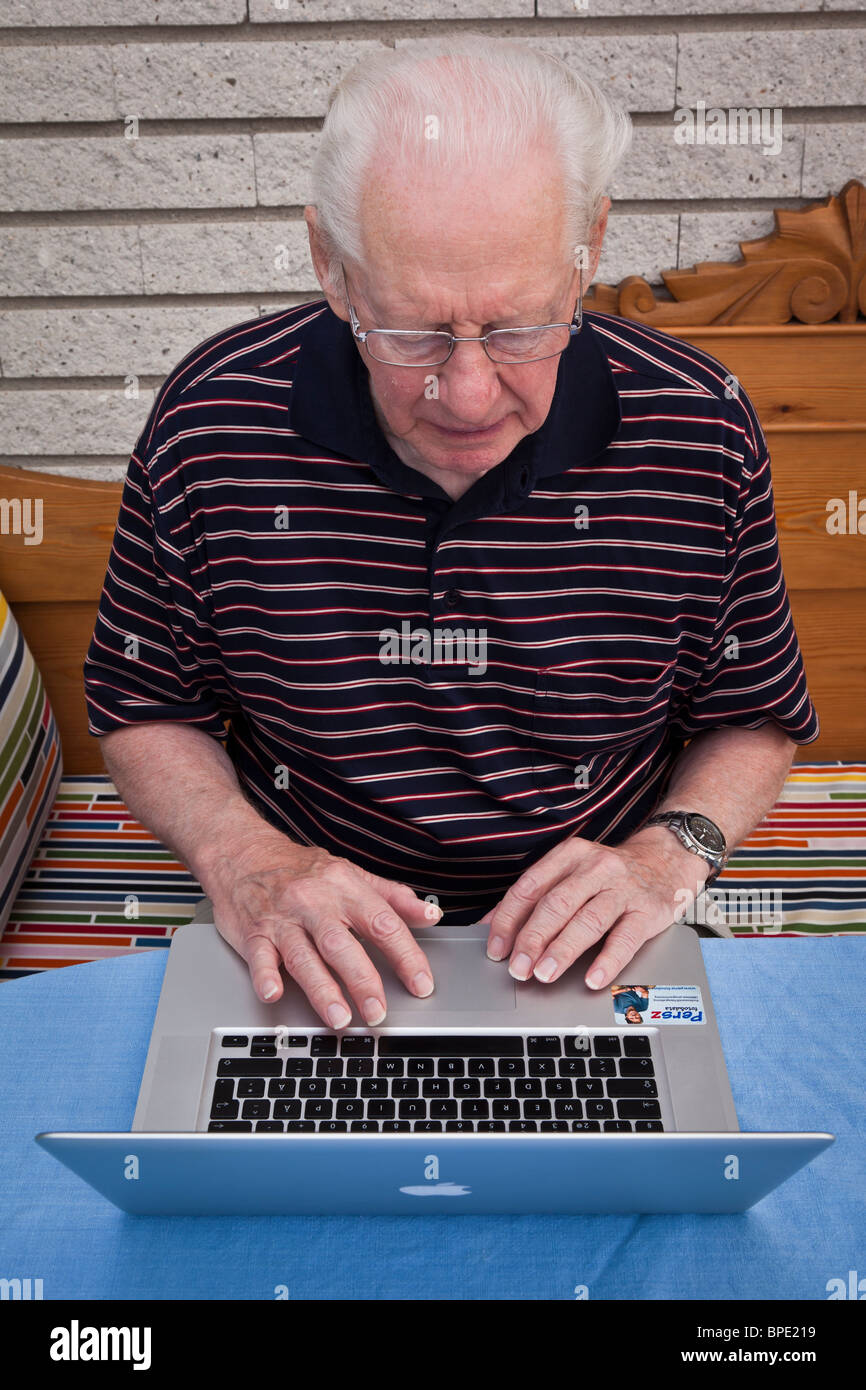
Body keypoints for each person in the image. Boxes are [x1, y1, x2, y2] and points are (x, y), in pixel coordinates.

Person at [84, 35, 818, 1032]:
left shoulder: (700, 426)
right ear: (330, 269)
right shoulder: (209, 421)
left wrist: (667, 852)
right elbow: (143, 705)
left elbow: (753, 713)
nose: (467, 395)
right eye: (414, 334)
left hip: (598, 948)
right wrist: (241, 857)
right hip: (301, 934)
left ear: (585, 252)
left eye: (517, 329)